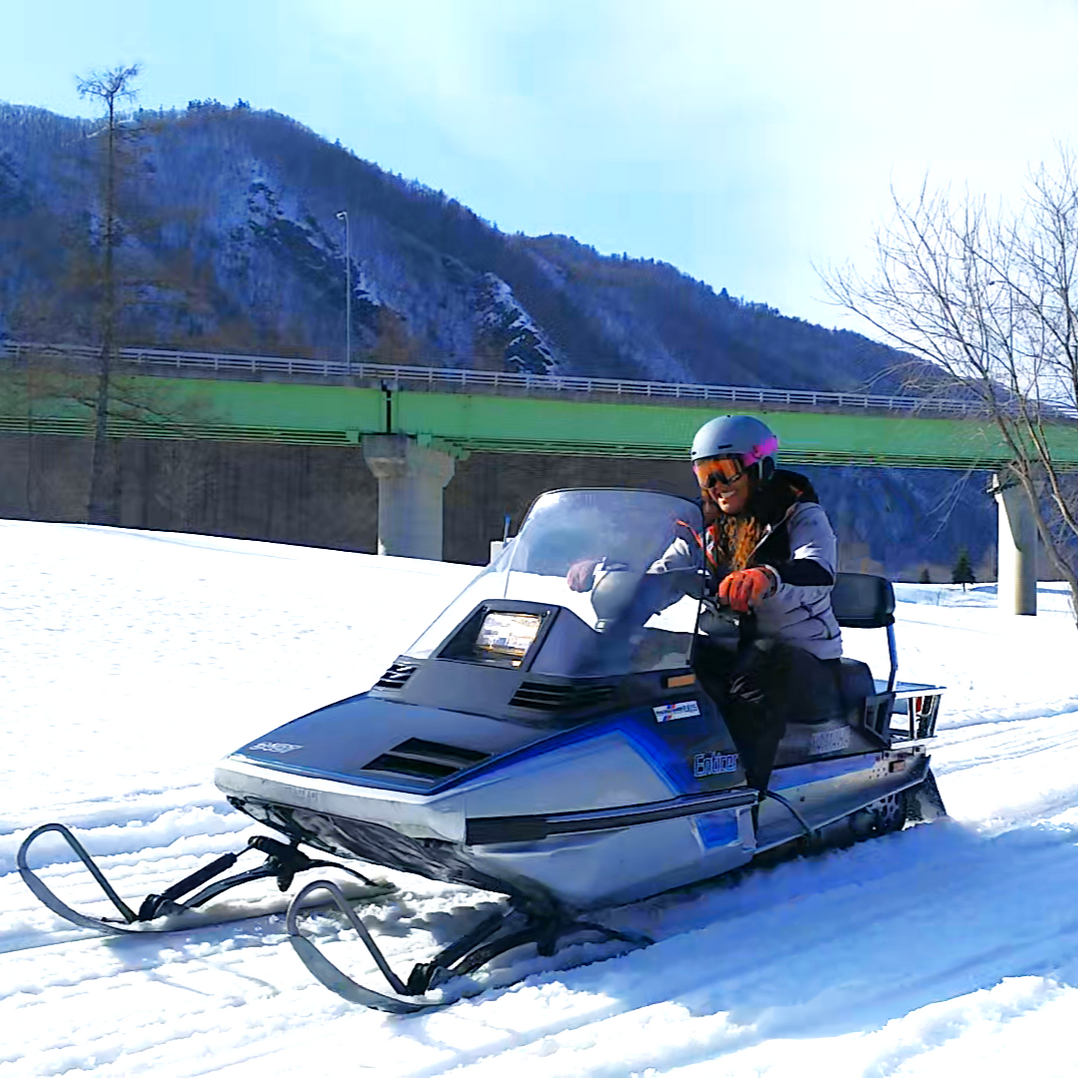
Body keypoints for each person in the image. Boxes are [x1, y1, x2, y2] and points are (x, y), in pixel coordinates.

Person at [570, 414, 843, 791]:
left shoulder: (799, 516)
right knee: (647, 656)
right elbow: (662, 574)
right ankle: (618, 774)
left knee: (760, 669)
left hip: (803, 662)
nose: (715, 486)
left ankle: (742, 799)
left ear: (758, 468)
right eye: (704, 475)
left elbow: (817, 568)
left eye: (726, 471)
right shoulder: (703, 527)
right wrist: (609, 573)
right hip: (730, 650)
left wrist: (768, 576)